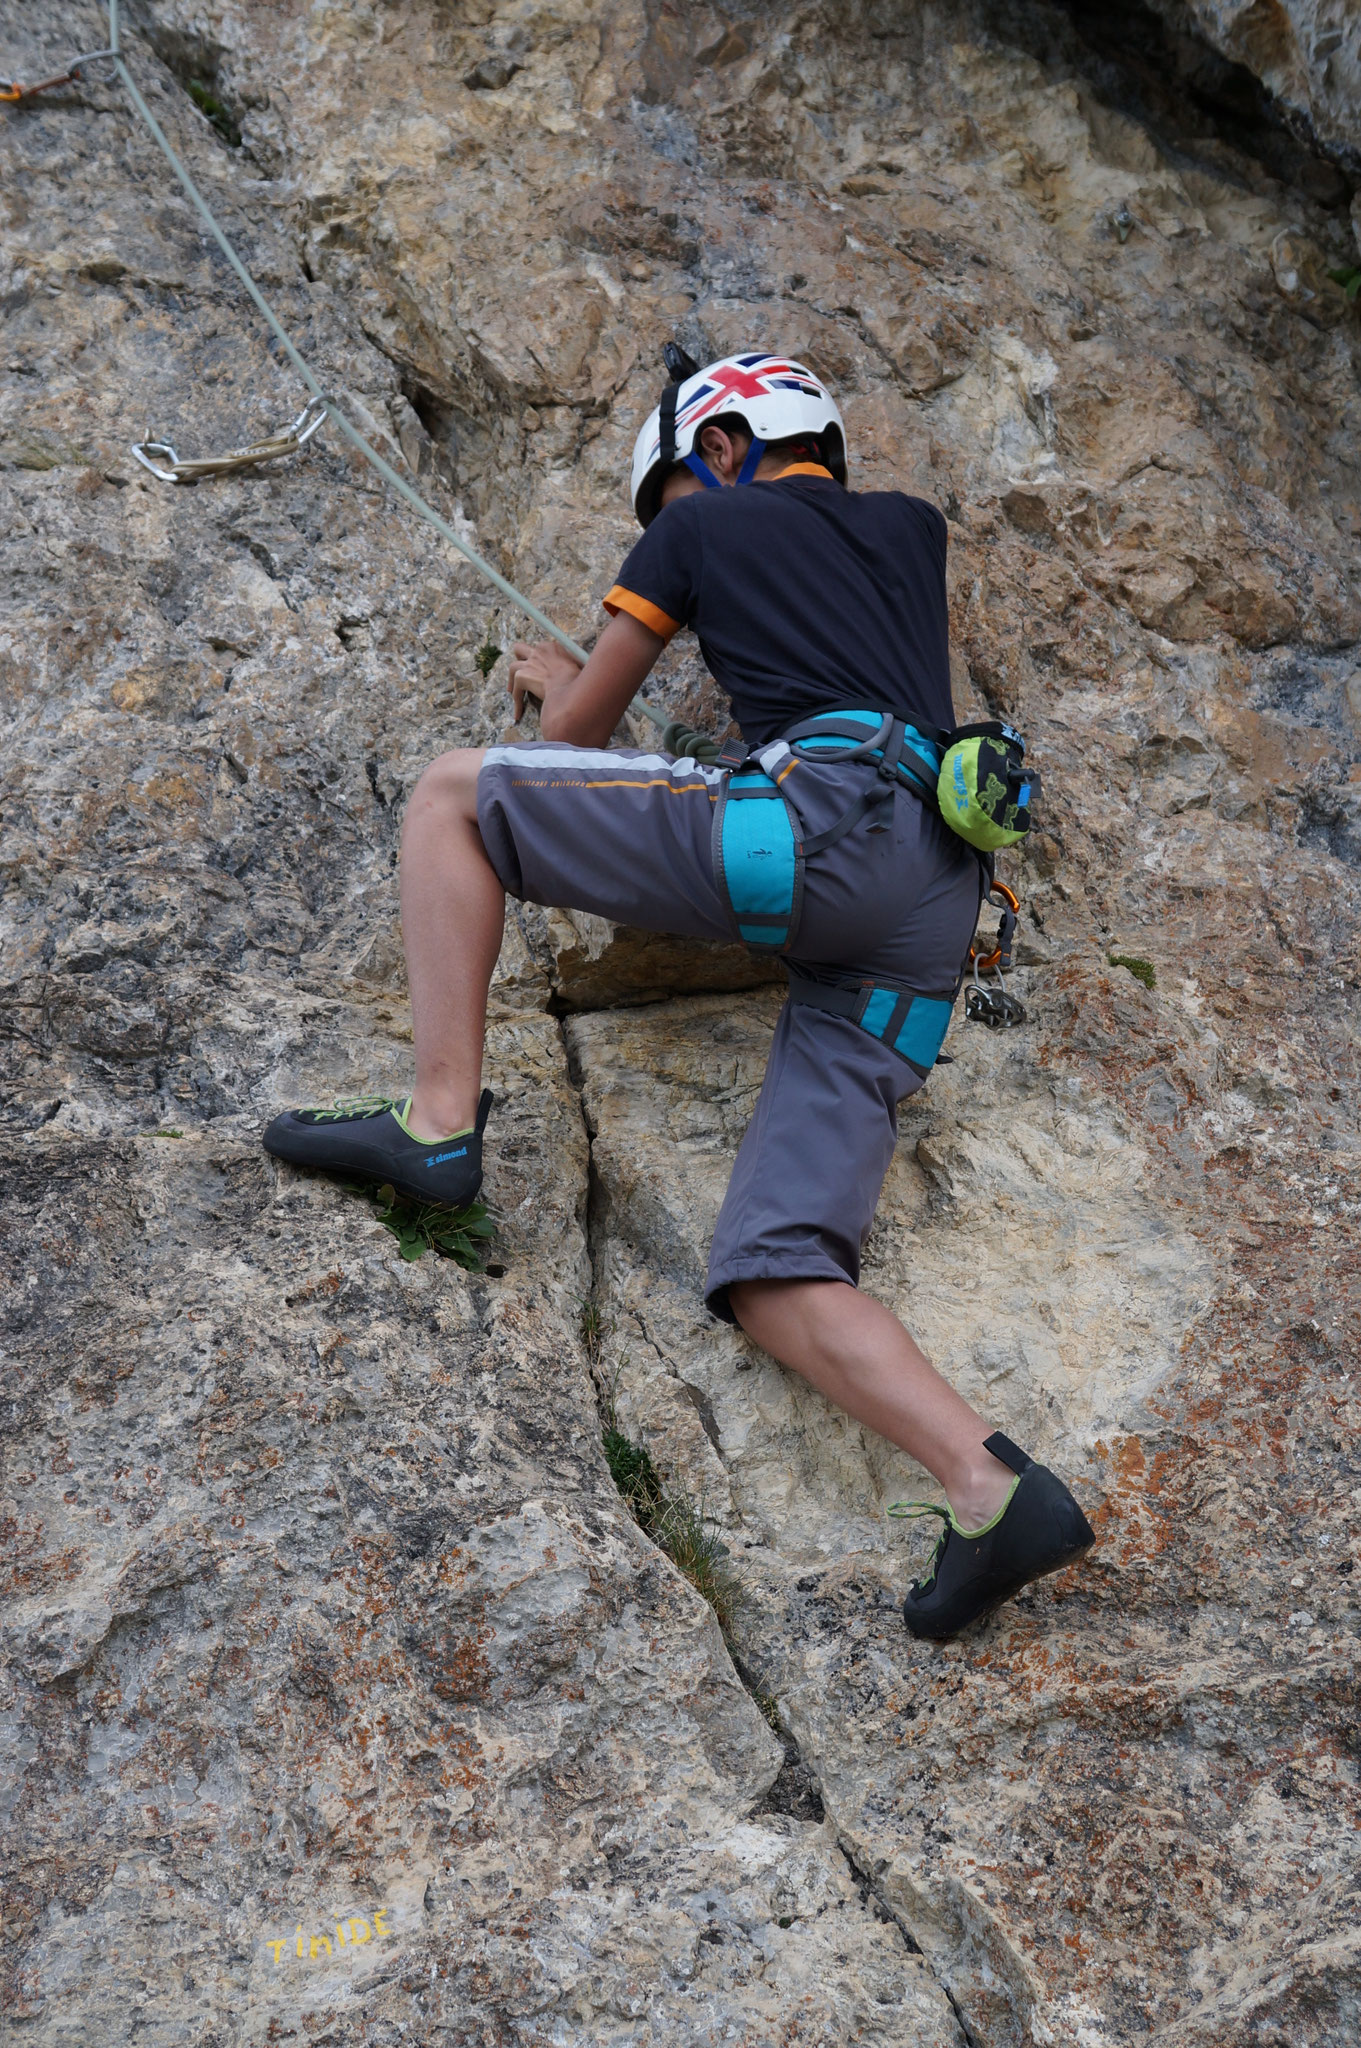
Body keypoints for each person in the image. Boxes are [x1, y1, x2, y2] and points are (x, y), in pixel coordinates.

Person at [263, 350, 1094, 1637]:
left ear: (713, 452)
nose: (666, 523)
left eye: (663, 498)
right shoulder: (909, 531)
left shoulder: (700, 518)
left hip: (811, 829)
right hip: (933, 896)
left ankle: (435, 1123)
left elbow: (573, 742)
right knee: (771, 1268)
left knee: (450, 794)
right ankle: (990, 1487)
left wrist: (553, 686)